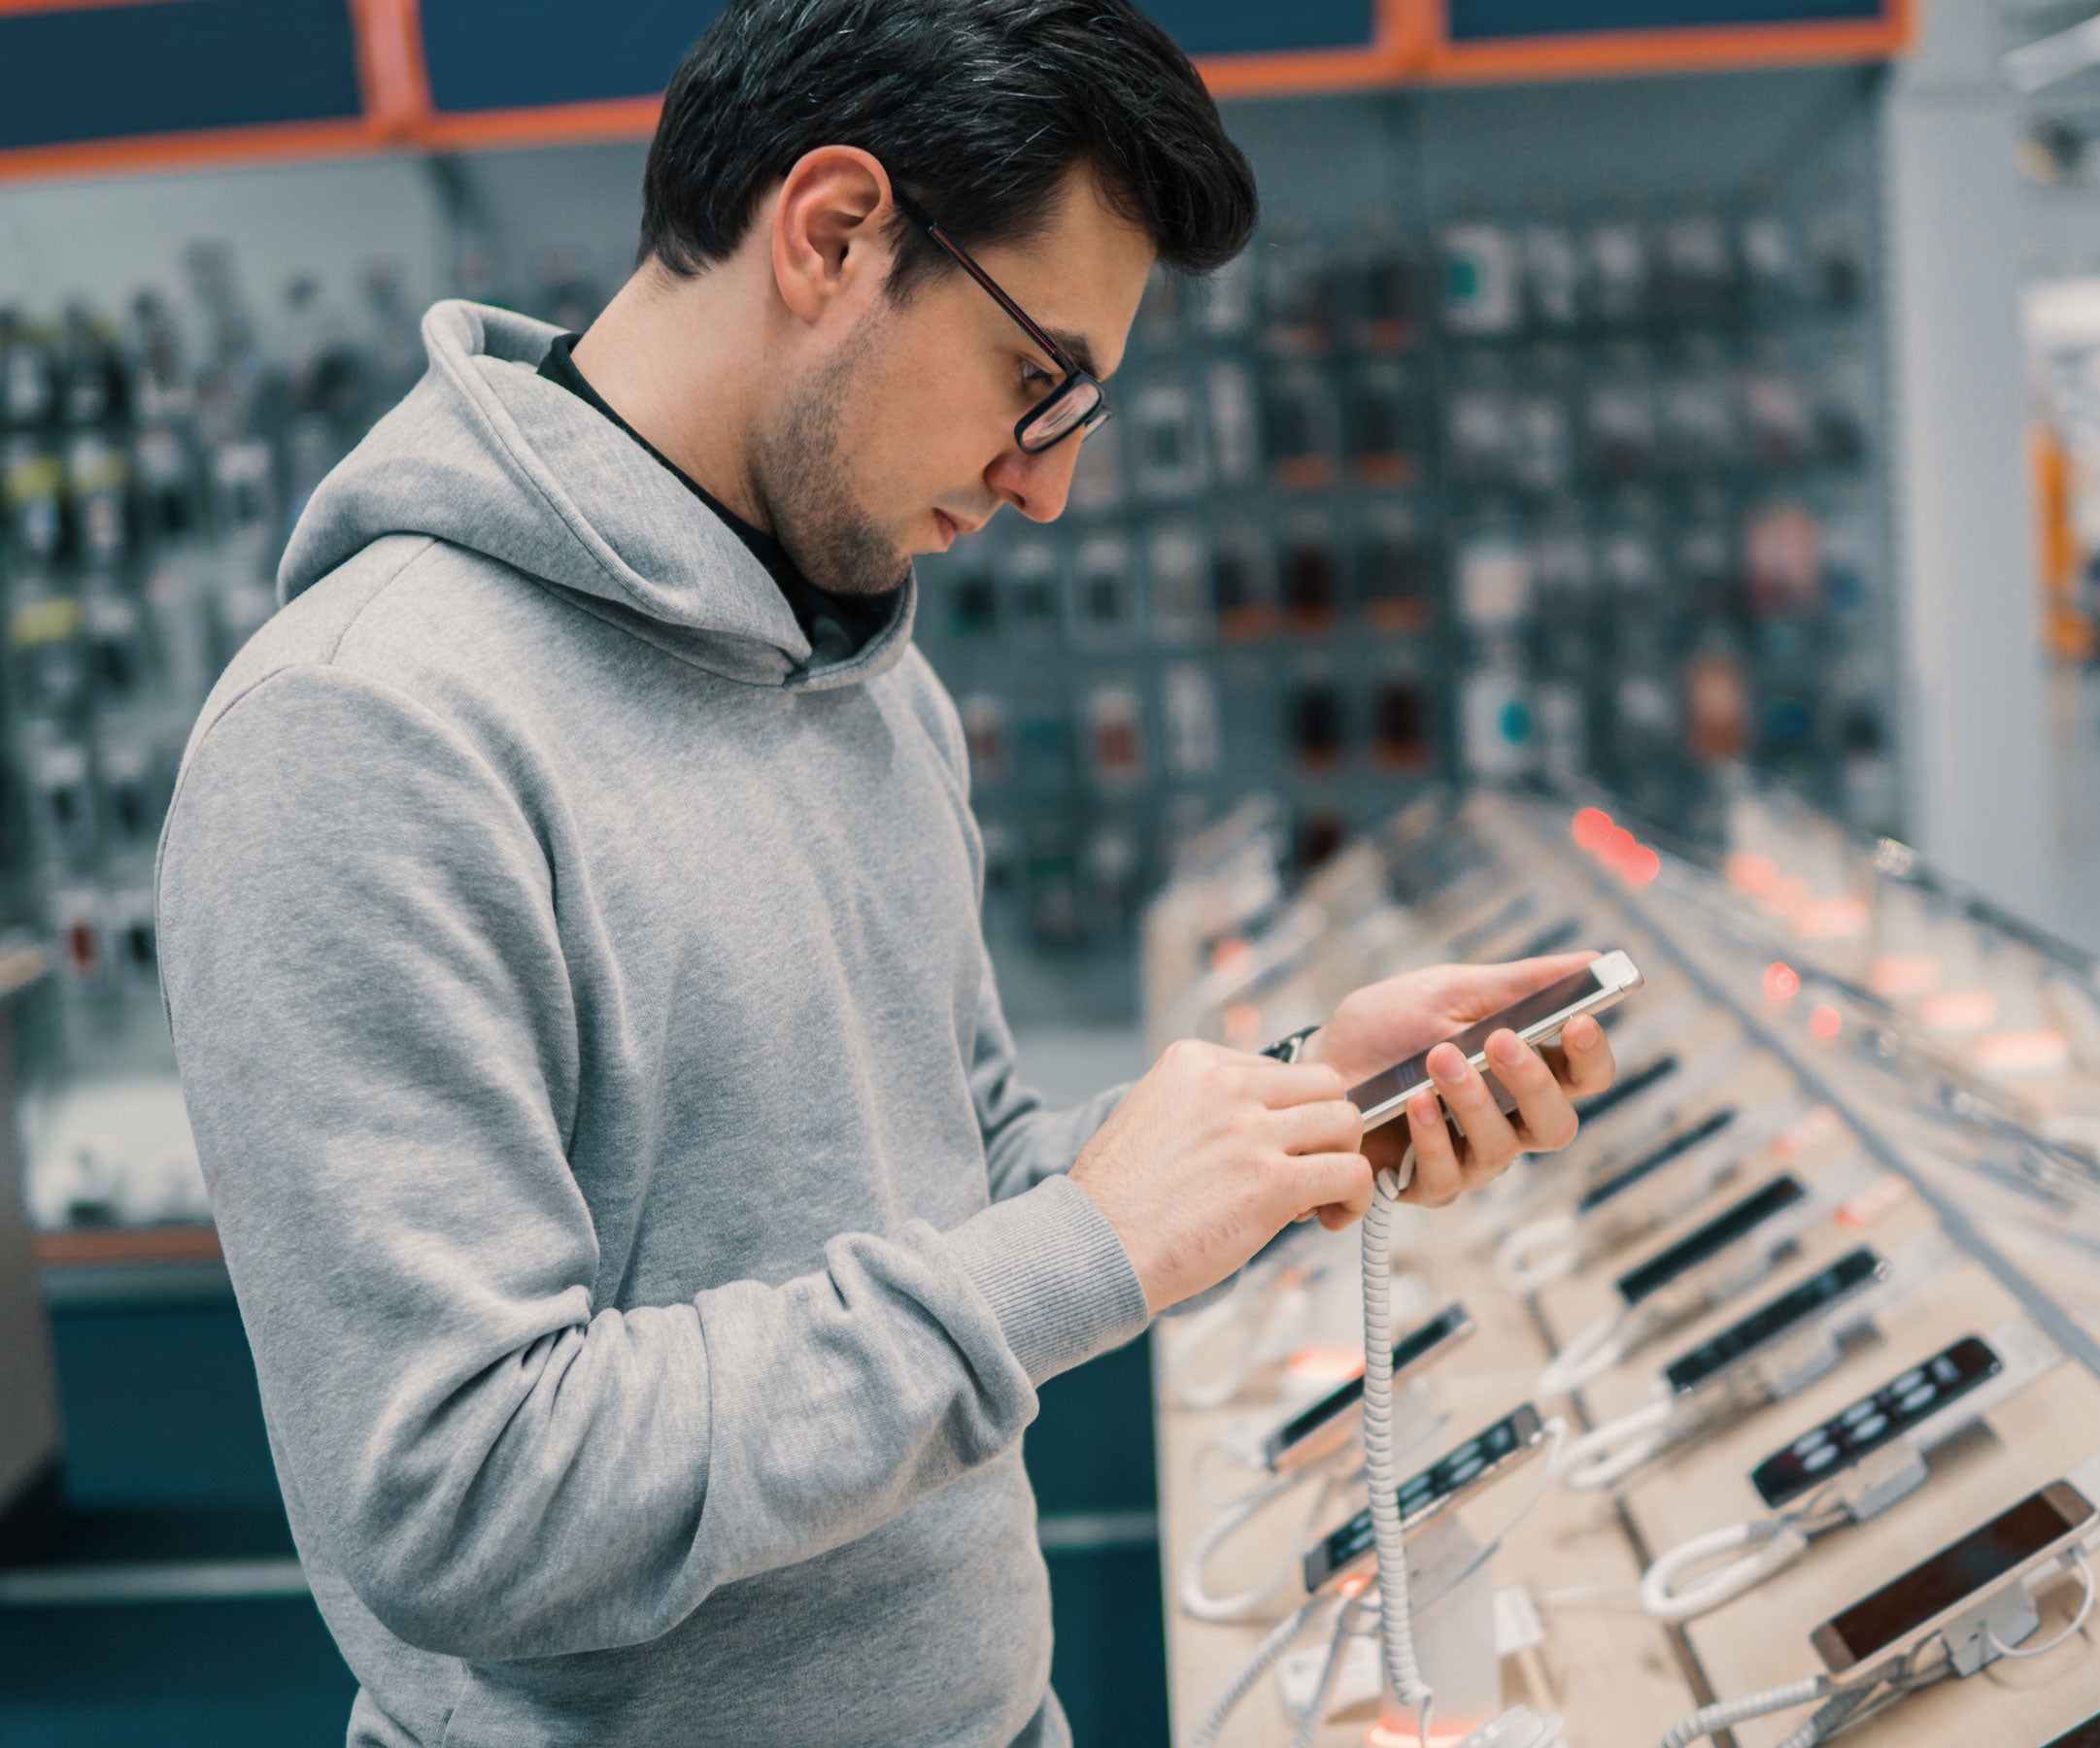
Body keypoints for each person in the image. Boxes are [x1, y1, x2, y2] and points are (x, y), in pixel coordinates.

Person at [154, 3, 1616, 1744]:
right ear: (834, 233)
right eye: (1036, 381)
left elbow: (966, 1190)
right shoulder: (362, 730)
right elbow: (461, 1496)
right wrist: (1085, 1247)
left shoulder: (865, 675)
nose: (1050, 485)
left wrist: (1302, 1111)